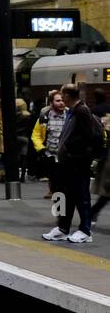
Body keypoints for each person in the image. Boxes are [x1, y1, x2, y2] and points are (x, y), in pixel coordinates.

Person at [42, 84, 101, 243]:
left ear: (68, 95)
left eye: (63, 95)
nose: (61, 99)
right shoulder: (73, 111)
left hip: (77, 162)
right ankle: (62, 228)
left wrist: (68, 147)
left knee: (82, 197)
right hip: (66, 163)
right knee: (63, 196)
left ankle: (85, 230)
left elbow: (87, 136)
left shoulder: (82, 111)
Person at [32, 90, 65, 199]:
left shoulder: (70, 115)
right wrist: (41, 149)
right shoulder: (44, 117)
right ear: (51, 102)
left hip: (67, 155)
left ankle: (61, 208)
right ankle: (58, 203)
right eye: (58, 101)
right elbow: (36, 134)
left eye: (63, 100)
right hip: (51, 154)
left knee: (63, 182)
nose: (61, 103)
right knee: (54, 178)